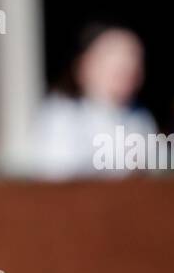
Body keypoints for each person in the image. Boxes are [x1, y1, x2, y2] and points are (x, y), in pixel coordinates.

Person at [32, 24, 158, 180]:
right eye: (116, 66)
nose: (128, 67)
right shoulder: (60, 116)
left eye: (133, 60)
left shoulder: (140, 117)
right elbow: (58, 173)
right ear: (84, 66)